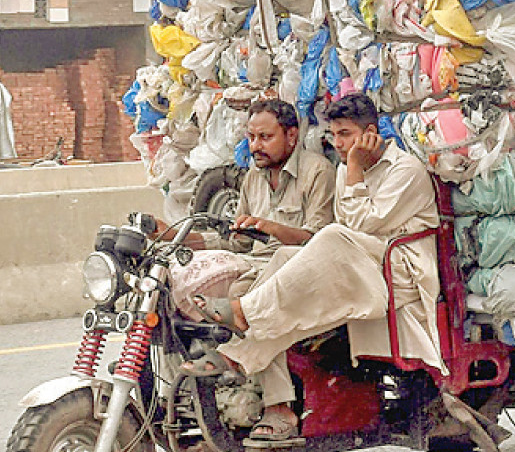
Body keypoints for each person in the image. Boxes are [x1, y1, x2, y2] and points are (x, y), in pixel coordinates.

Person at [205, 93, 443, 441]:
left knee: (330, 236)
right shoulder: (347, 168)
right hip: (365, 262)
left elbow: (358, 226)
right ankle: (239, 355)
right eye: (333, 135)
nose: (339, 144)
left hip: (401, 271)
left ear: (370, 133)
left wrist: (356, 168)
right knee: (286, 257)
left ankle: (244, 313)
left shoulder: (404, 170)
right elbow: (351, 224)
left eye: (345, 134)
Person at [154, 99, 336, 431]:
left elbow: (320, 242)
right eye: (251, 137)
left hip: (304, 268)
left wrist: (271, 228)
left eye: (265, 137)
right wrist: (173, 236)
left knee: (252, 295)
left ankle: (279, 407)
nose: (256, 146)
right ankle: (179, 390)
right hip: (255, 263)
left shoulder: (317, 171)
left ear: (291, 136)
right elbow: (235, 241)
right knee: (176, 290)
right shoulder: (253, 177)